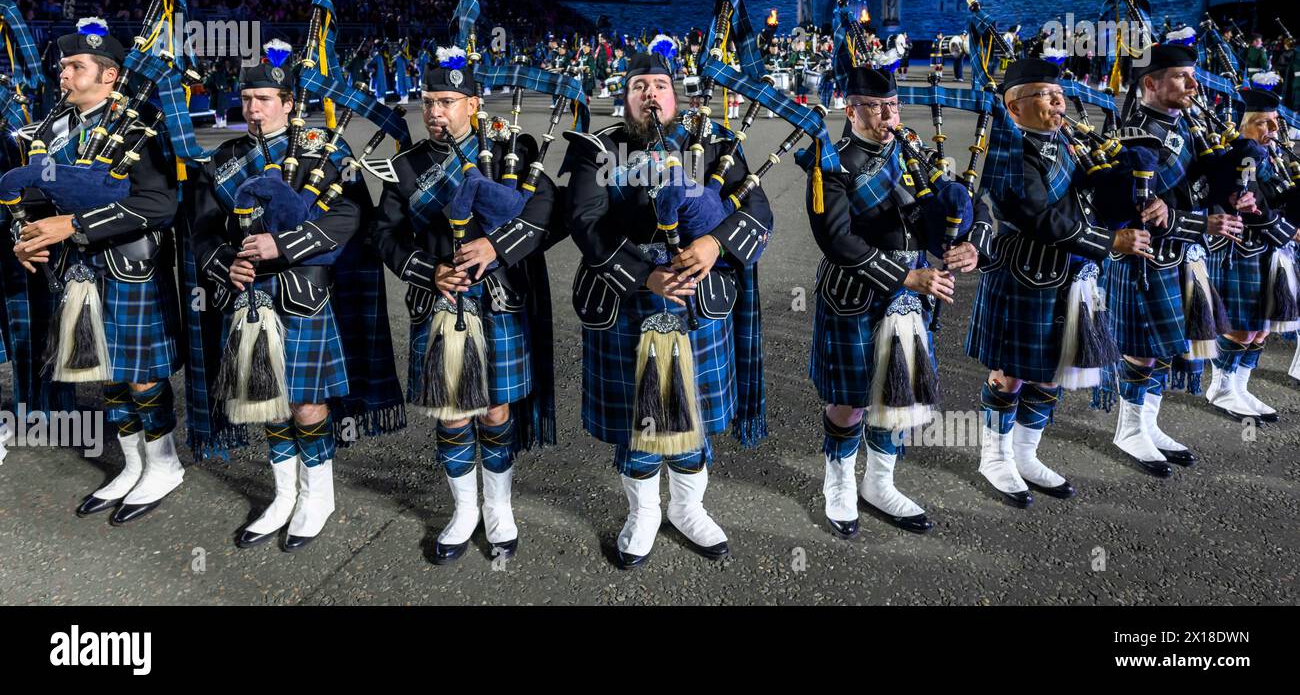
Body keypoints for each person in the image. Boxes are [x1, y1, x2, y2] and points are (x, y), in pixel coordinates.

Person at [563, 51, 772, 568]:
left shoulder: (715, 145)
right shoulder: (601, 149)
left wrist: (714, 246)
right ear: (625, 97)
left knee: (690, 416)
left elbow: (760, 212)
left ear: (674, 97)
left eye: (660, 85)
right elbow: (587, 223)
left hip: (698, 299)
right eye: (639, 86)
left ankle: (688, 508)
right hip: (629, 298)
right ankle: (644, 513)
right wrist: (644, 274)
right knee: (641, 422)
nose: (650, 94)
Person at [373, 58, 557, 563]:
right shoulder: (406, 165)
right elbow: (384, 236)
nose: (436, 112)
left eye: (447, 102)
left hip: (497, 299)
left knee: (496, 408)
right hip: (438, 300)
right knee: (452, 412)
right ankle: (463, 510)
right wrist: (427, 270)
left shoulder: (509, 150)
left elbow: (545, 211)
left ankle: (498, 509)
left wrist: (496, 247)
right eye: (428, 102)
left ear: (473, 106)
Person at [10, 19, 184, 523]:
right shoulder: (50, 128)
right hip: (74, 271)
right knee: (105, 372)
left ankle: (165, 464)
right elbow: (33, 198)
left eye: (75, 67)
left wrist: (77, 225)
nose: (63, 74)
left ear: (108, 75)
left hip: (128, 266)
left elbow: (159, 202)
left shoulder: (142, 125)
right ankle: (132, 466)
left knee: (142, 377)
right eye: (63, 66)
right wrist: (25, 240)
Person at [189, 63, 362, 550]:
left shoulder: (323, 148)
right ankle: (284, 495)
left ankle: (318, 496)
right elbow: (202, 228)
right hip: (248, 294)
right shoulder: (222, 158)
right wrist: (225, 264)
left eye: (264, 99)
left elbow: (350, 214)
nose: (253, 109)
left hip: (301, 288)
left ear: (288, 104)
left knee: (306, 402)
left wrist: (282, 246)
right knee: (267, 397)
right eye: (246, 100)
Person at [808, 66, 985, 535]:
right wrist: (905, 276)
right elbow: (836, 239)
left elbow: (975, 204)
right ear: (851, 110)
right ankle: (840, 483)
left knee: (896, 395)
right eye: (874, 107)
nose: (886, 115)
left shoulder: (916, 155)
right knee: (850, 402)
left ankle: (879, 483)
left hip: (913, 297)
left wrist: (972, 241)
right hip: (857, 293)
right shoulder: (831, 161)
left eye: (891, 106)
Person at [966, 58, 1148, 505]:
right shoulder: (1009, 153)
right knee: (1011, 375)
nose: (1058, 101)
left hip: (1072, 274)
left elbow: (1095, 196)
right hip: (1026, 273)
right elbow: (1040, 219)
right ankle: (995, 456)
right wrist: (1110, 241)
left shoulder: (1067, 141)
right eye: (1045, 95)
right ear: (1014, 107)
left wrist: (1122, 176)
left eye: (1059, 93)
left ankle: (1026, 454)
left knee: (1052, 372)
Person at [1101, 44, 1245, 475]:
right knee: (1142, 351)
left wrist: (1233, 193)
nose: (1194, 84)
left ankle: (1148, 424)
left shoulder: (1185, 123)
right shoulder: (1135, 136)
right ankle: (1129, 430)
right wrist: (1201, 224)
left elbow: (1197, 185)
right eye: (1182, 77)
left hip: (1180, 256)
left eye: (1192, 75)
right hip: (1146, 259)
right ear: (1150, 83)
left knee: (1167, 347)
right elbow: (1138, 215)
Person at [1204, 87, 1299, 423]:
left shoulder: (1267, 153)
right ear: (1244, 124)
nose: (1272, 132)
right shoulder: (1236, 155)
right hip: (1238, 249)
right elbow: (1251, 203)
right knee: (1241, 328)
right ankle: (1220, 386)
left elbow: (1272, 196)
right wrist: (1288, 229)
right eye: (1264, 124)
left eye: (1274, 125)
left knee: (1261, 327)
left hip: (1267, 249)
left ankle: (1239, 386)